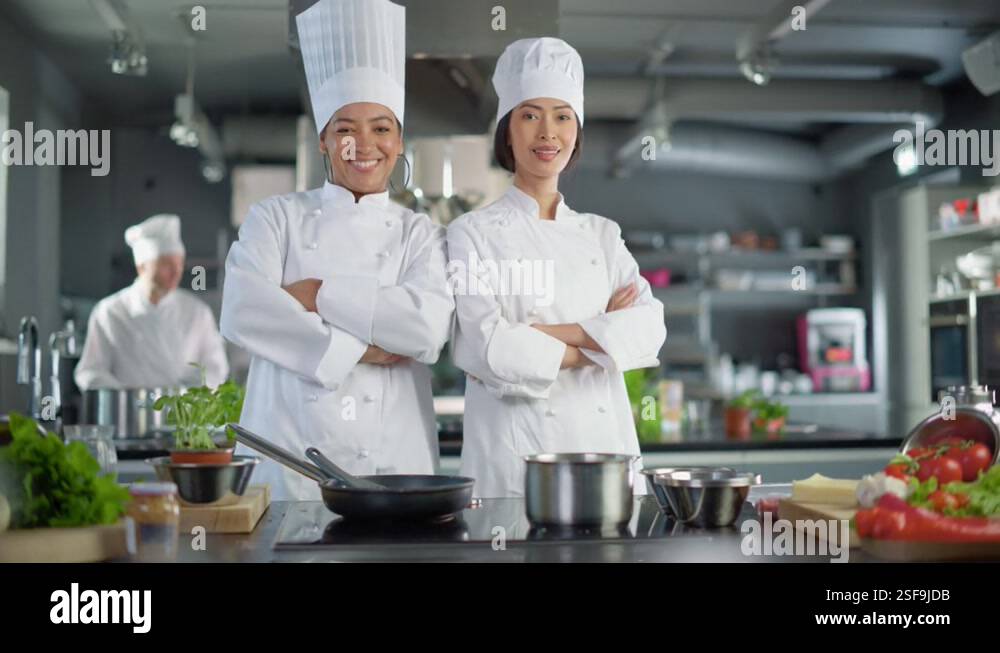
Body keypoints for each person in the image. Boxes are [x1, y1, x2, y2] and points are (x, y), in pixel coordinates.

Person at [220, 0, 453, 501]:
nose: (363, 145)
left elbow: (427, 331)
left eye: (381, 128)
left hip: (395, 467)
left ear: (399, 140)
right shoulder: (275, 218)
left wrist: (313, 293)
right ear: (323, 140)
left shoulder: (420, 232)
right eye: (345, 128)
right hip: (290, 468)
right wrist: (363, 348)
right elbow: (242, 310)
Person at [448, 37, 667, 498]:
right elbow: (486, 348)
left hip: (605, 457)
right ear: (507, 131)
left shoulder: (602, 235)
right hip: (516, 466)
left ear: (577, 131)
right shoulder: (471, 233)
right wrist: (603, 342)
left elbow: (649, 329)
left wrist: (538, 336)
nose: (548, 133)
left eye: (562, 116)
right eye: (530, 115)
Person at [75, 214, 228, 390]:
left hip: (185, 415)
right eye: (166, 265)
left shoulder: (198, 312)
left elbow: (216, 367)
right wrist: (128, 396)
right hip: (129, 415)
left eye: (179, 264)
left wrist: (186, 393)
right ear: (142, 267)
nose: (176, 272)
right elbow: (89, 372)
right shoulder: (110, 312)